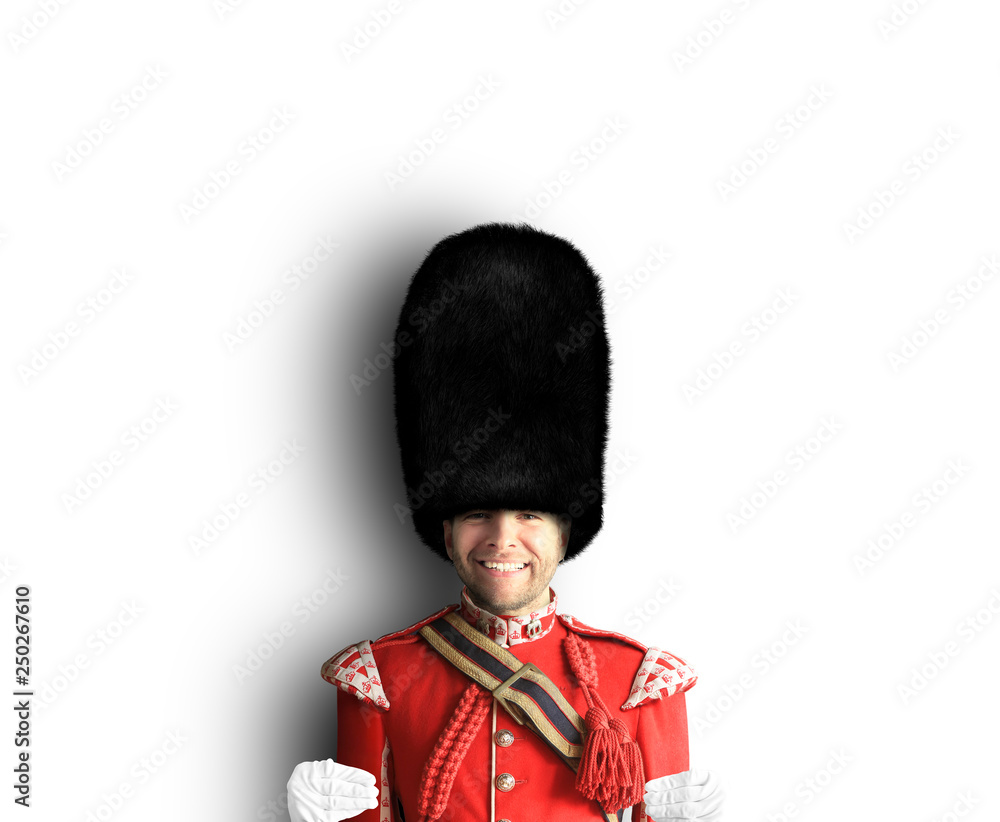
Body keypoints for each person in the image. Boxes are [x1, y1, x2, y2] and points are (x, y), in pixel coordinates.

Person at [287, 224, 724, 821]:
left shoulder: (639, 679)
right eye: (476, 513)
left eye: (530, 514)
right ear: (445, 530)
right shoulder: (380, 676)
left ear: (565, 531)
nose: (502, 539)